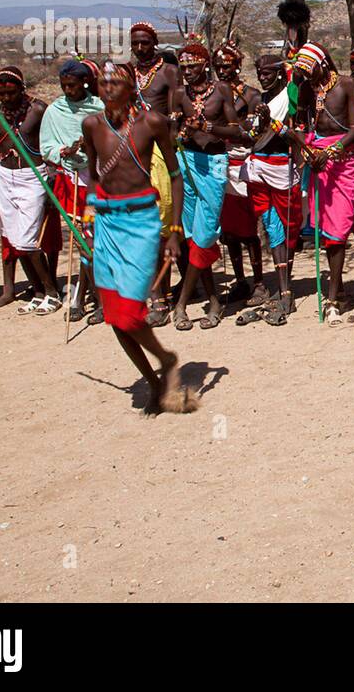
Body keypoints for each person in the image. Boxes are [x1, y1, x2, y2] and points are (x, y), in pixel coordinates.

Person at [82, 61, 193, 416]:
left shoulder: (152, 124)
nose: (107, 89)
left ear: (132, 89)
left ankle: (166, 357)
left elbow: (176, 176)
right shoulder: (91, 125)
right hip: (107, 224)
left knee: (130, 313)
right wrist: (89, 209)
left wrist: (174, 230)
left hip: (143, 223)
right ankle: (154, 380)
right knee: (115, 314)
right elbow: (93, 174)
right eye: (102, 83)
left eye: (115, 83)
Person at [171, 41, 240, 331]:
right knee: (193, 235)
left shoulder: (222, 91)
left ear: (205, 65)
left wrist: (207, 128)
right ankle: (212, 298)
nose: (187, 72)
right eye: (183, 67)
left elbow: (236, 131)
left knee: (206, 232)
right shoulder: (178, 94)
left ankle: (182, 303)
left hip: (213, 165)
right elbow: (172, 132)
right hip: (186, 162)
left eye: (193, 66)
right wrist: (180, 131)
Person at [294, 42, 354, 325]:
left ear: (324, 62)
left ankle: (333, 298)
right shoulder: (307, 89)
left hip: (343, 163)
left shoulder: (346, 85)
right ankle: (337, 293)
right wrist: (306, 150)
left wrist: (330, 153)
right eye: (305, 74)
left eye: (312, 70)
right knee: (327, 232)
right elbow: (301, 126)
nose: (310, 77)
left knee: (340, 229)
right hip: (317, 161)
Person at [0, 66, 59, 314]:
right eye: (1, 93)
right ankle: (37, 292)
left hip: (33, 175)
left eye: (11, 92)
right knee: (15, 239)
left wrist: (51, 182)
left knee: (28, 238)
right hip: (4, 176)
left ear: (22, 88)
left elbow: (49, 145)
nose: (6, 98)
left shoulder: (39, 109)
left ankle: (52, 292)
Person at [238, 50, 305, 326]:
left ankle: (284, 287)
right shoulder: (257, 100)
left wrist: (273, 124)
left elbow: (298, 135)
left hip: (283, 168)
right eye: (260, 73)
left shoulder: (291, 97)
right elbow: (250, 135)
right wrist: (257, 125)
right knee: (272, 226)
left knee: (288, 228)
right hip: (259, 168)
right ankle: (284, 289)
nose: (263, 78)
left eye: (267, 73)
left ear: (279, 73)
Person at [39, 60, 104, 322]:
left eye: (73, 86)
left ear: (85, 84)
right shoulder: (55, 111)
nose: (68, 91)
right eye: (64, 86)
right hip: (72, 181)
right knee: (81, 241)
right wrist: (62, 151)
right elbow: (46, 147)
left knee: (94, 241)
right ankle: (83, 298)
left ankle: (100, 297)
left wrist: (88, 146)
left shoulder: (99, 108)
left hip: (97, 181)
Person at [130, 21, 183, 325]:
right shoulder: (127, 71)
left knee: (162, 223)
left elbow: (174, 116)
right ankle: (154, 296)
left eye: (145, 43)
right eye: (135, 43)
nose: (140, 48)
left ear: (154, 42)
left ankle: (163, 298)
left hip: (163, 152)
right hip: (133, 151)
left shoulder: (168, 72)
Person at [213, 43, 267, 306]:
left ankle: (258, 283)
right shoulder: (211, 95)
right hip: (219, 165)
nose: (222, 71)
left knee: (248, 230)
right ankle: (240, 281)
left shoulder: (252, 96)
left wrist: (239, 130)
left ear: (237, 65)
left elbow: (256, 133)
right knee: (229, 231)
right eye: (218, 67)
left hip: (244, 163)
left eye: (227, 66)